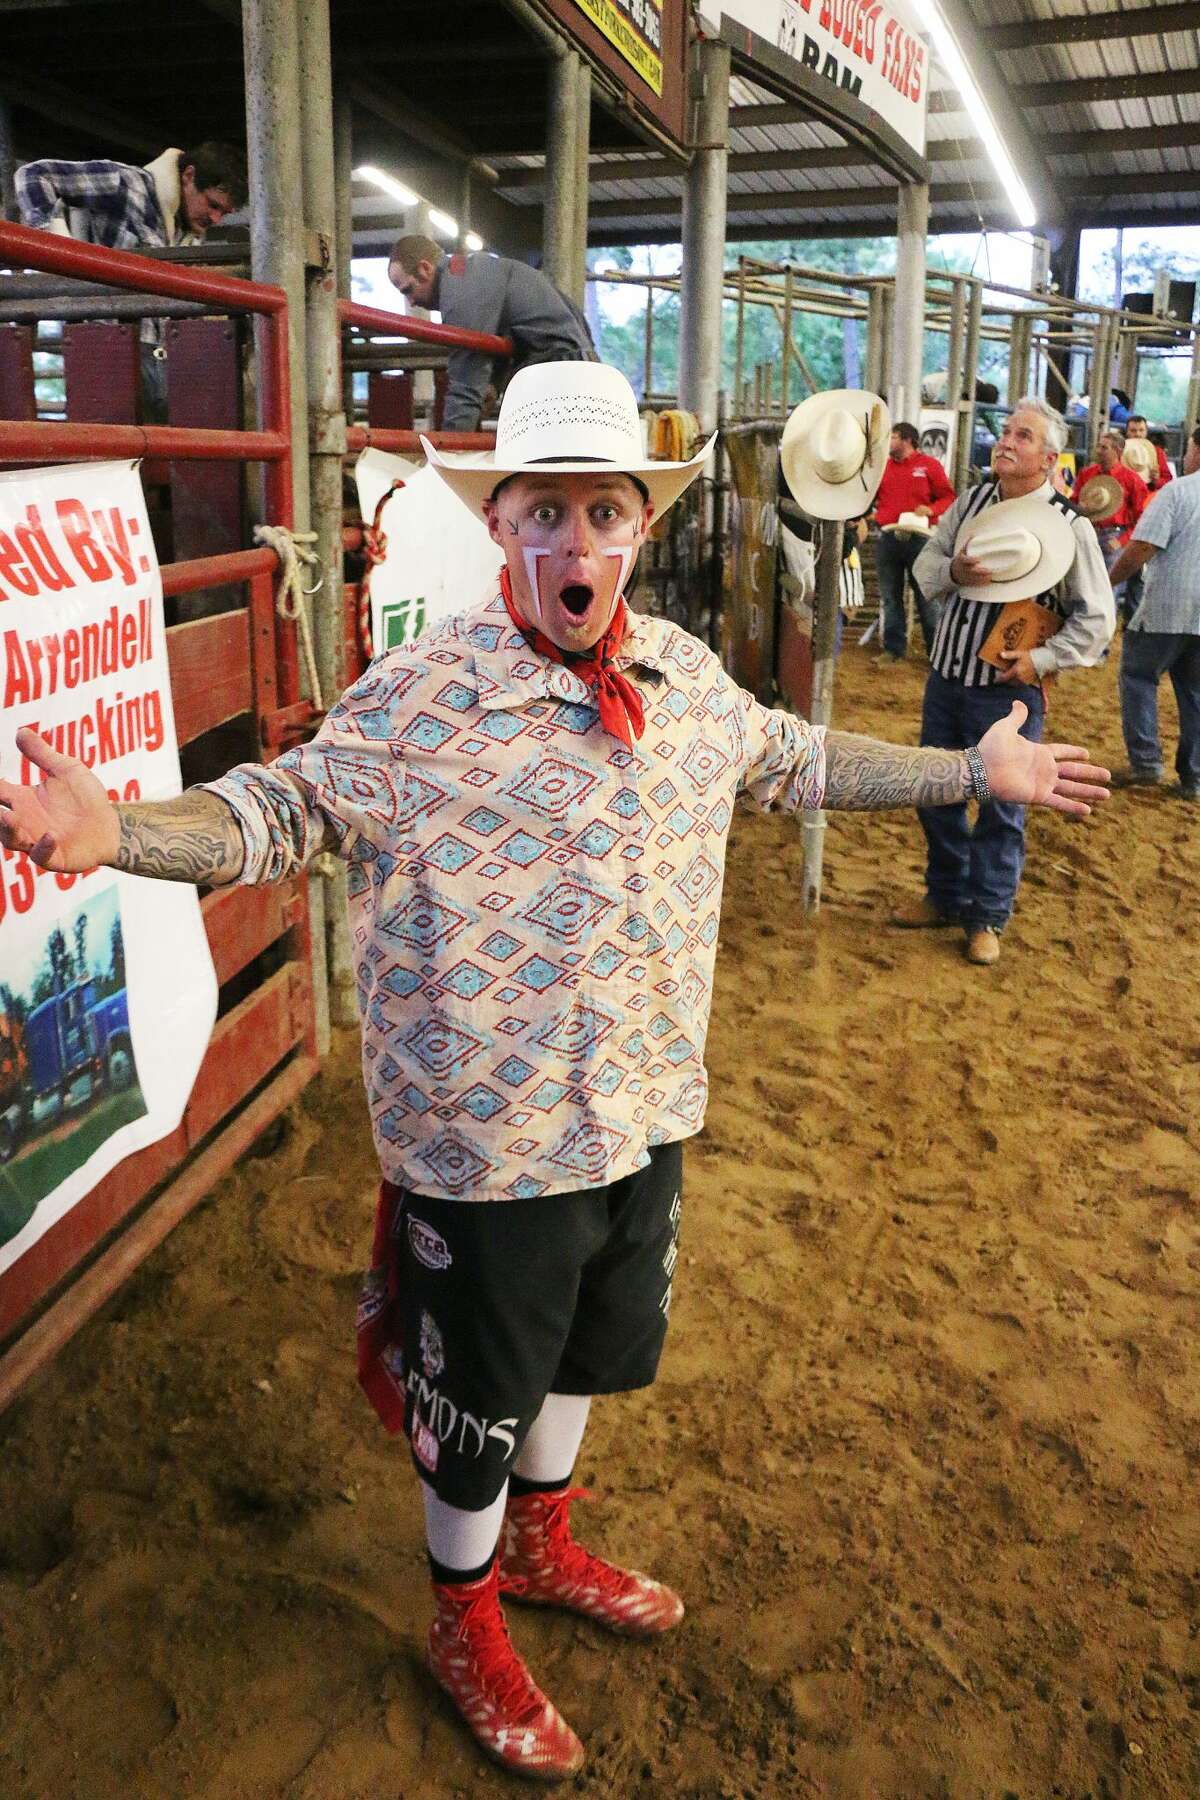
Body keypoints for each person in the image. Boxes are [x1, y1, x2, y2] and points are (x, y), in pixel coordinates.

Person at [0, 363, 1110, 1783]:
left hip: (643, 1100)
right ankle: (463, 1611)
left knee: (587, 1344)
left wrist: (972, 778)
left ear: (637, 531)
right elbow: (283, 808)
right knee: (480, 1391)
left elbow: (801, 760)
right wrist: (126, 833)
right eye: (546, 516)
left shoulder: (690, 683)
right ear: (502, 524)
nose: (576, 547)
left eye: (605, 515)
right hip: (490, 1132)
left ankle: (541, 1544)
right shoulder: (420, 702)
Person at [891, 397, 1115, 968]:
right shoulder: (971, 501)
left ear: (1049, 458)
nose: (1007, 442)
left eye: (1023, 436)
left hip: (1009, 690)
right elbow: (927, 564)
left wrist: (1040, 660)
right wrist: (952, 573)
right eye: (1006, 432)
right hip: (947, 676)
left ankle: (986, 913)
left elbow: (1097, 618)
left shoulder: (1070, 526)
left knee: (1002, 804)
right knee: (934, 788)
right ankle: (946, 893)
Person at [15, 142, 247, 416]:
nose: (216, 219)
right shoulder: (126, 183)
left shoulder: (185, 228)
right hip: (109, 349)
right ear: (189, 176)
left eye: (224, 213)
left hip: (161, 355)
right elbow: (34, 175)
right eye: (212, 205)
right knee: (113, 450)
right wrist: (54, 246)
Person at [388, 234, 597, 432]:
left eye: (408, 290)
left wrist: (445, 453)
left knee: (549, 464)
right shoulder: (482, 270)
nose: (411, 302)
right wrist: (495, 383)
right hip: (584, 373)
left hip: (557, 381)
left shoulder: (460, 293)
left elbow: (465, 386)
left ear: (425, 269)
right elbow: (525, 330)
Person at [1107, 425, 1200, 799]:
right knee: (1195, 692)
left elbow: (1142, 547)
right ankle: (1194, 778)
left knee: (1138, 676)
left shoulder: (1178, 492)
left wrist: (1108, 580)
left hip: (1167, 607)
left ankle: (1146, 763)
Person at [871, 421, 956, 663]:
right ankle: (894, 649)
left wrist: (931, 510)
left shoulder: (929, 466)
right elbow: (872, 497)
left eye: (894, 437)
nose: (889, 442)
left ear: (907, 440)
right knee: (890, 596)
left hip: (920, 539)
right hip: (889, 535)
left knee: (926, 596)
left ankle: (937, 654)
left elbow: (948, 496)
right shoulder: (883, 468)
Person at [1125, 414, 1173, 492]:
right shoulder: (1119, 450)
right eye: (1133, 430)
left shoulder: (1157, 452)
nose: (1137, 434)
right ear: (1127, 432)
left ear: (1146, 432)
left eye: (1141, 430)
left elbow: (1168, 481)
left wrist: (1156, 481)